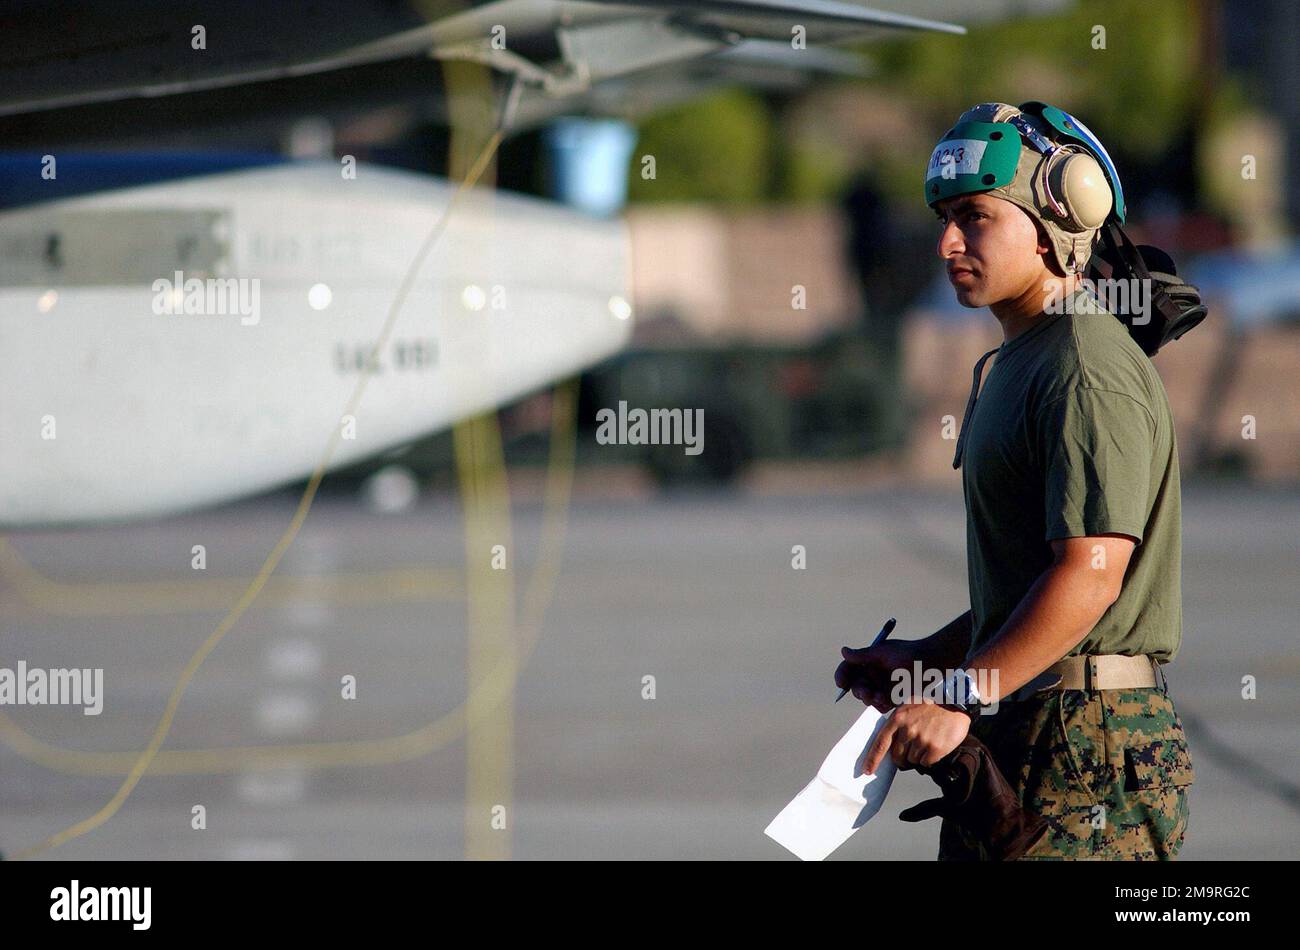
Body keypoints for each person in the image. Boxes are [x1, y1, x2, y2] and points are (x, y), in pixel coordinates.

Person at [834, 101, 1195, 860]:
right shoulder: (1026, 359)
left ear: (1058, 215)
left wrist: (962, 695)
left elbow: (1089, 580)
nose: (947, 242)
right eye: (944, 217)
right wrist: (931, 662)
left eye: (974, 217)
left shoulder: (1084, 368)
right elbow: (1031, 580)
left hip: (1087, 746)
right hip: (1029, 721)